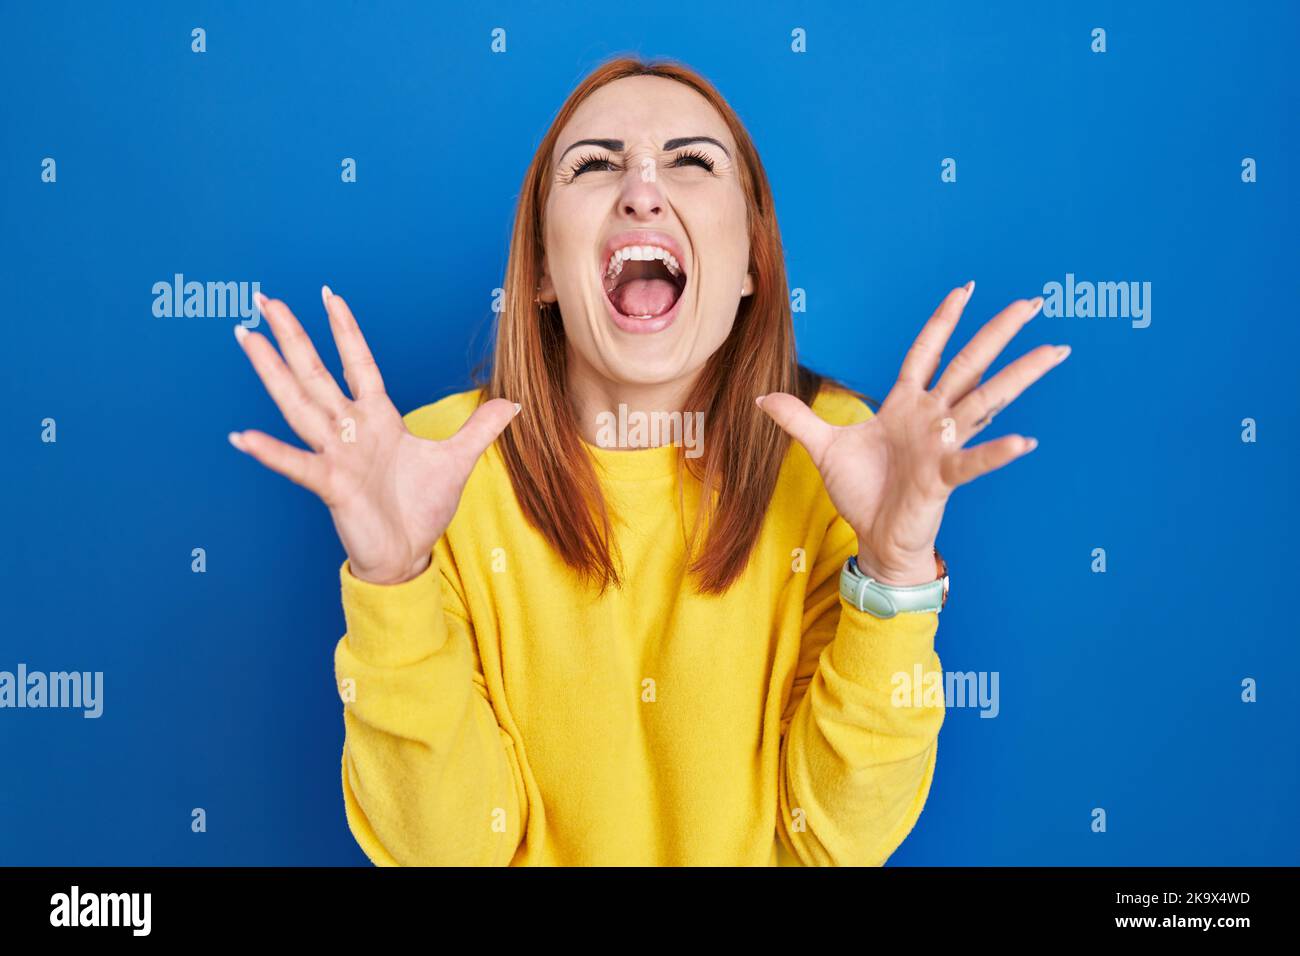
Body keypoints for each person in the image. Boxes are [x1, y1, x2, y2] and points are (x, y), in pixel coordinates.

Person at [228, 57, 1067, 866]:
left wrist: (895, 571)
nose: (641, 191)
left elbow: (836, 840)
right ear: (544, 270)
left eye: (691, 161)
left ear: (749, 264)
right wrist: (394, 581)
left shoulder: (838, 456)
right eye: (594, 165)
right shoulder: (436, 468)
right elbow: (449, 853)